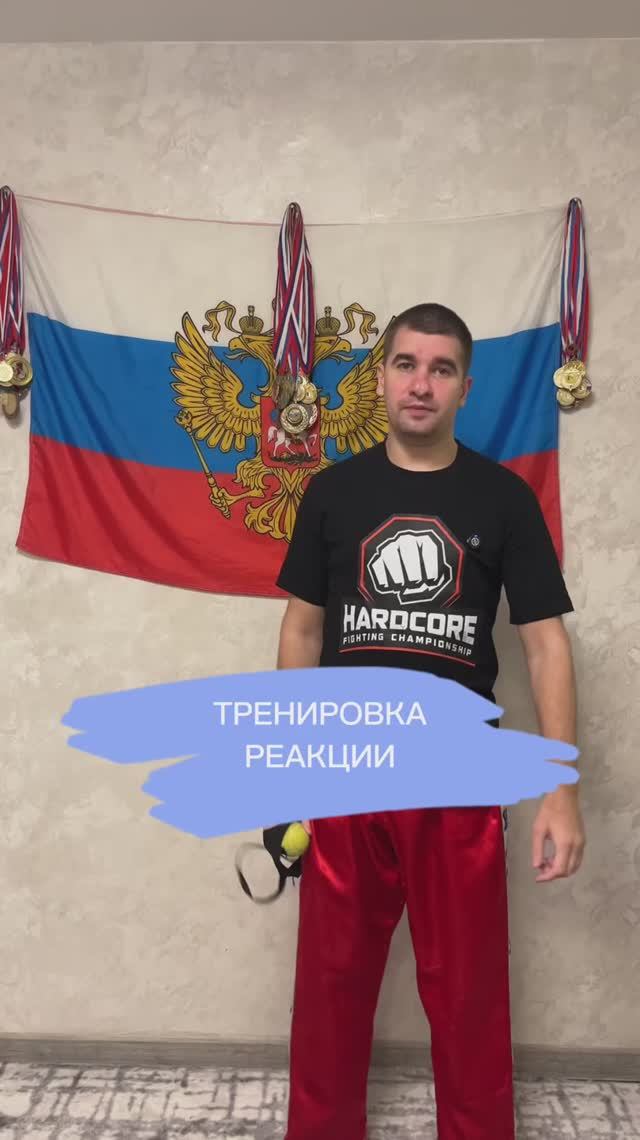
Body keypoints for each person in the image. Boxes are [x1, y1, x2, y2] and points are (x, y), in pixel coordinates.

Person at [274, 302, 586, 1140]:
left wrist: (560, 792)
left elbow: (546, 645)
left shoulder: (505, 498)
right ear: (379, 377)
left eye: (441, 369)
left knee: (469, 997)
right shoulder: (334, 492)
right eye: (406, 364)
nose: (421, 384)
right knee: (330, 991)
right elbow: (301, 632)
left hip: (456, 780)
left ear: (465, 388)